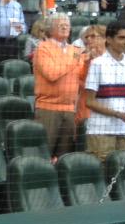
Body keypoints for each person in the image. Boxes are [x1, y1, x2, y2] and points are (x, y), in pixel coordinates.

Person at [83, 21, 125, 163]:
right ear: (109, 40)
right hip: (100, 130)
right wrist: (118, 114)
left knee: (123, 174)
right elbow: (89, 101)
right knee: (103, 173)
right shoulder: (97, 63)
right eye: (121, 38)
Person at [33, 14, 86, 158]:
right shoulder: (43, 48)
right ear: (50, 28)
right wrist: (75, 60)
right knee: (45, 154)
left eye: (67, 24)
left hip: (70, 109)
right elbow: (52, 74)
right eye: (60, 24)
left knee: (64, 156)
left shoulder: (74, 50)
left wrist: (87, 61)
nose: (64, 27)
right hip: (47, 109)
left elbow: (81, 77)